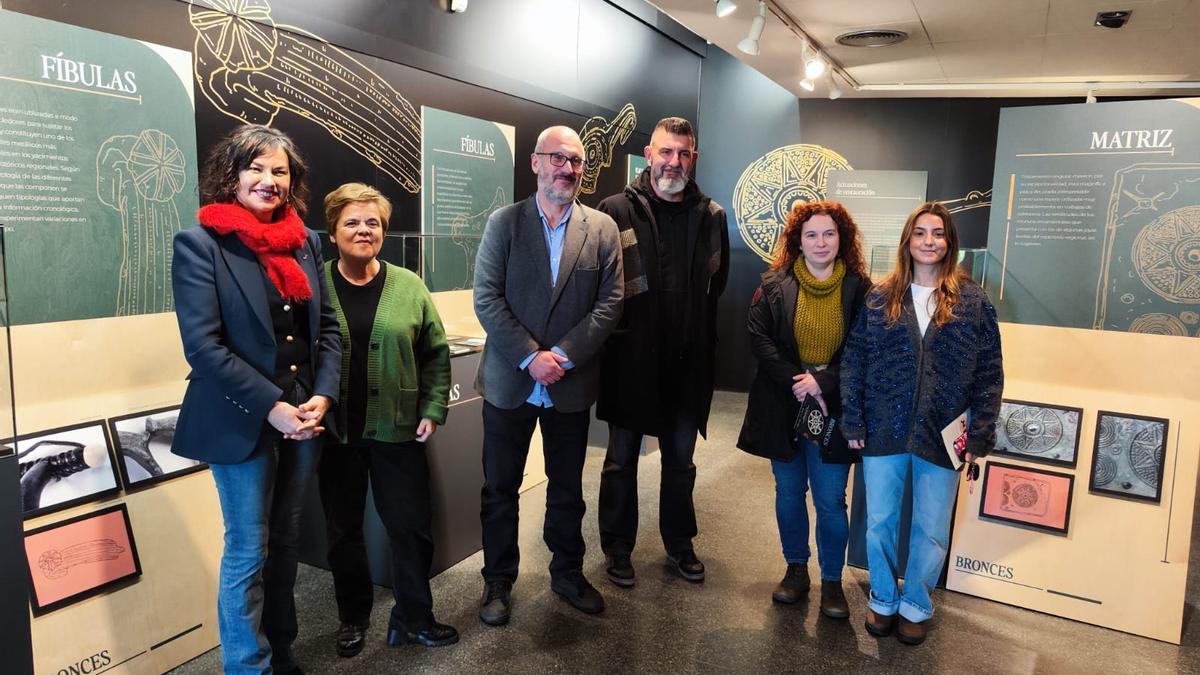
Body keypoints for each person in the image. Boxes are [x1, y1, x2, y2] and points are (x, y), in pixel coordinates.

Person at [171, 124, 340, 675]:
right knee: (248, 550)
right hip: (243, 418)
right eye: (257, 168)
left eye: (280, 171)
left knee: (287, 543)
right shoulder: (201, 244)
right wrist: (273, 406)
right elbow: (204, 348)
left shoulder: (308, 242)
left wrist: (323, 394)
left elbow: (330, 331)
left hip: (304, 420)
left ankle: (281, 653)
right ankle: (248, 666)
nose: (269, 180)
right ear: (232, 174)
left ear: (293, 182)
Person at [473, 126, 623, 625]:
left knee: (566, 487)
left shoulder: (600, 228)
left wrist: (561, 355)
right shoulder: (504, 223)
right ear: (536, 163)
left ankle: (567, 572)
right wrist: (529, 357)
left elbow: (610, 303)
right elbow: (487, 298)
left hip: (570, 382)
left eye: (577, 160)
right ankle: (497, 582)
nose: (568, 168)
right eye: (557, 158)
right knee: (500, 488)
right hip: (510, 381)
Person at [839, 201, 1003, 646]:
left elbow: (989, 369)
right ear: (907, 241)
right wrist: (853, 418)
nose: (929, 242)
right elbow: (855, 360)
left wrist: (981, 431)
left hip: (945, 429)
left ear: (950, 243)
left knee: (931, 526)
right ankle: (882, 598)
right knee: (880, 520)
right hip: (882, 427)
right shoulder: (880, 296)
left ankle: (915, 601)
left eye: (938, 233)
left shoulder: (973, 301)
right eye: (920, 233)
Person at [315, 183, 455, 656]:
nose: (363, 230)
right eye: (352, 222)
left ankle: (414, 617)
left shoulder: (409, 285)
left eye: (372, 222)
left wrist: (434, 408)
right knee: (343, 530)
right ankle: (353, 617)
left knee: (410, 527)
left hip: (398, 430)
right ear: (332, 232)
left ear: (384, 230)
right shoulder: (313, 285)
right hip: (336, 435)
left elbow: (436, 353)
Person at [594, 117, 729, 587]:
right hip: (630, 363)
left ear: (693, 158)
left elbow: (717, 287)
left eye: (684, 153)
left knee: (681, 462)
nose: (674, 162)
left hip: (688, 365)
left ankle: (680, 543)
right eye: (666, 152)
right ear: (648, 154)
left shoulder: (711, 216)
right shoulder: (613, 211)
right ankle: (617, 547)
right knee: (620, 460)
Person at [736, 200, 870, 618]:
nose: (821, 242)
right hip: (784, 404)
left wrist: (823, 381)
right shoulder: (773, 285)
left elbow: (863, 349)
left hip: (835, 409)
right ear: (798, 240)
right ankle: (796, 569)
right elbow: (759, 341)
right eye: (811, 234)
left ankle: (832, 582)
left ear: (842, 239)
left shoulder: (860, 289)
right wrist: (798, 381)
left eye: (829, 233)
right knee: (790, 491)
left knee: (831, 500)